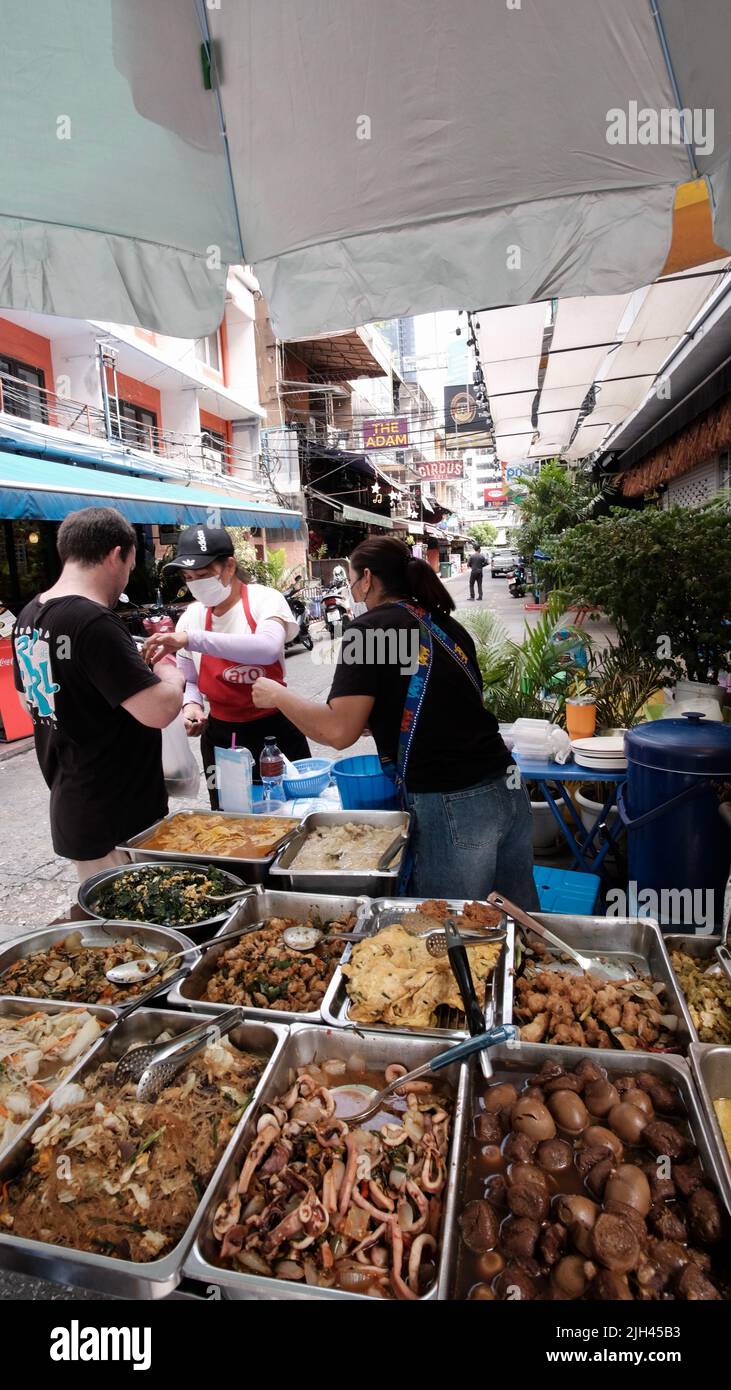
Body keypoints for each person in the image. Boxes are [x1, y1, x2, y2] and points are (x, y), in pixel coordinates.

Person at [250, 535, 538, 905]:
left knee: (450, 931)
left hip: (453, 803)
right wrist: (381, 717)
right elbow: (456, 703)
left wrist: (276, 694)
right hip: (509, 792)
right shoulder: (445, 624)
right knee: (518, 924)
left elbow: (337, 732)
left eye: (352, 580)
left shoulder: (369, 630)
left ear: (367, 578)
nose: (352, 589)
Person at [12, 507, 184, 880]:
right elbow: (160, 710)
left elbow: (31, 700)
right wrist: (169, 667)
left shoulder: (29, 615)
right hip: (117, 819)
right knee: (130, 930)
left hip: (75, 805)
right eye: (129, 564)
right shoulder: (92, 622)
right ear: (114, 554)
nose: (126, 578)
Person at [142, 525, 310, 807]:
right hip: (222, 738)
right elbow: (191, 680)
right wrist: (191, 706)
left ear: (229, 566)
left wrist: (190, 639)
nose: (195, 583)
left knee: (295, 808)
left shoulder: (264, 599)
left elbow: (268, 648)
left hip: (275, 730)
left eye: (203, 575)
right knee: (230, 818)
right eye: (188, 577)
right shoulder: (191, 617)